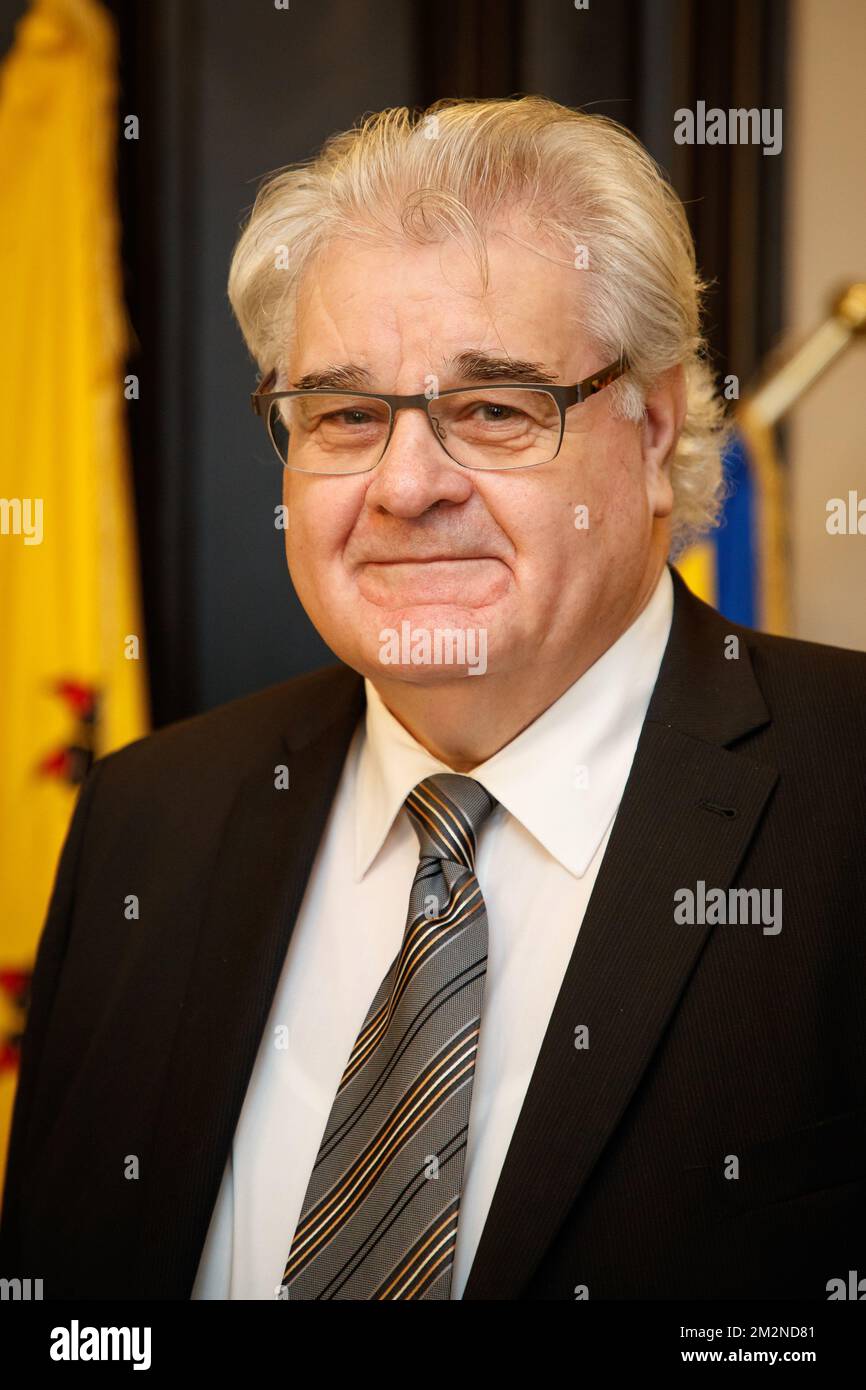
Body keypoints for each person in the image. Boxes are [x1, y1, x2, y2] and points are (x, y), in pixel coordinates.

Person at [2, 96, 864, 1301]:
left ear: (653, 426)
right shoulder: (152, 814)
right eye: (345, 416)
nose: (406, 485)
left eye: (494, 409)